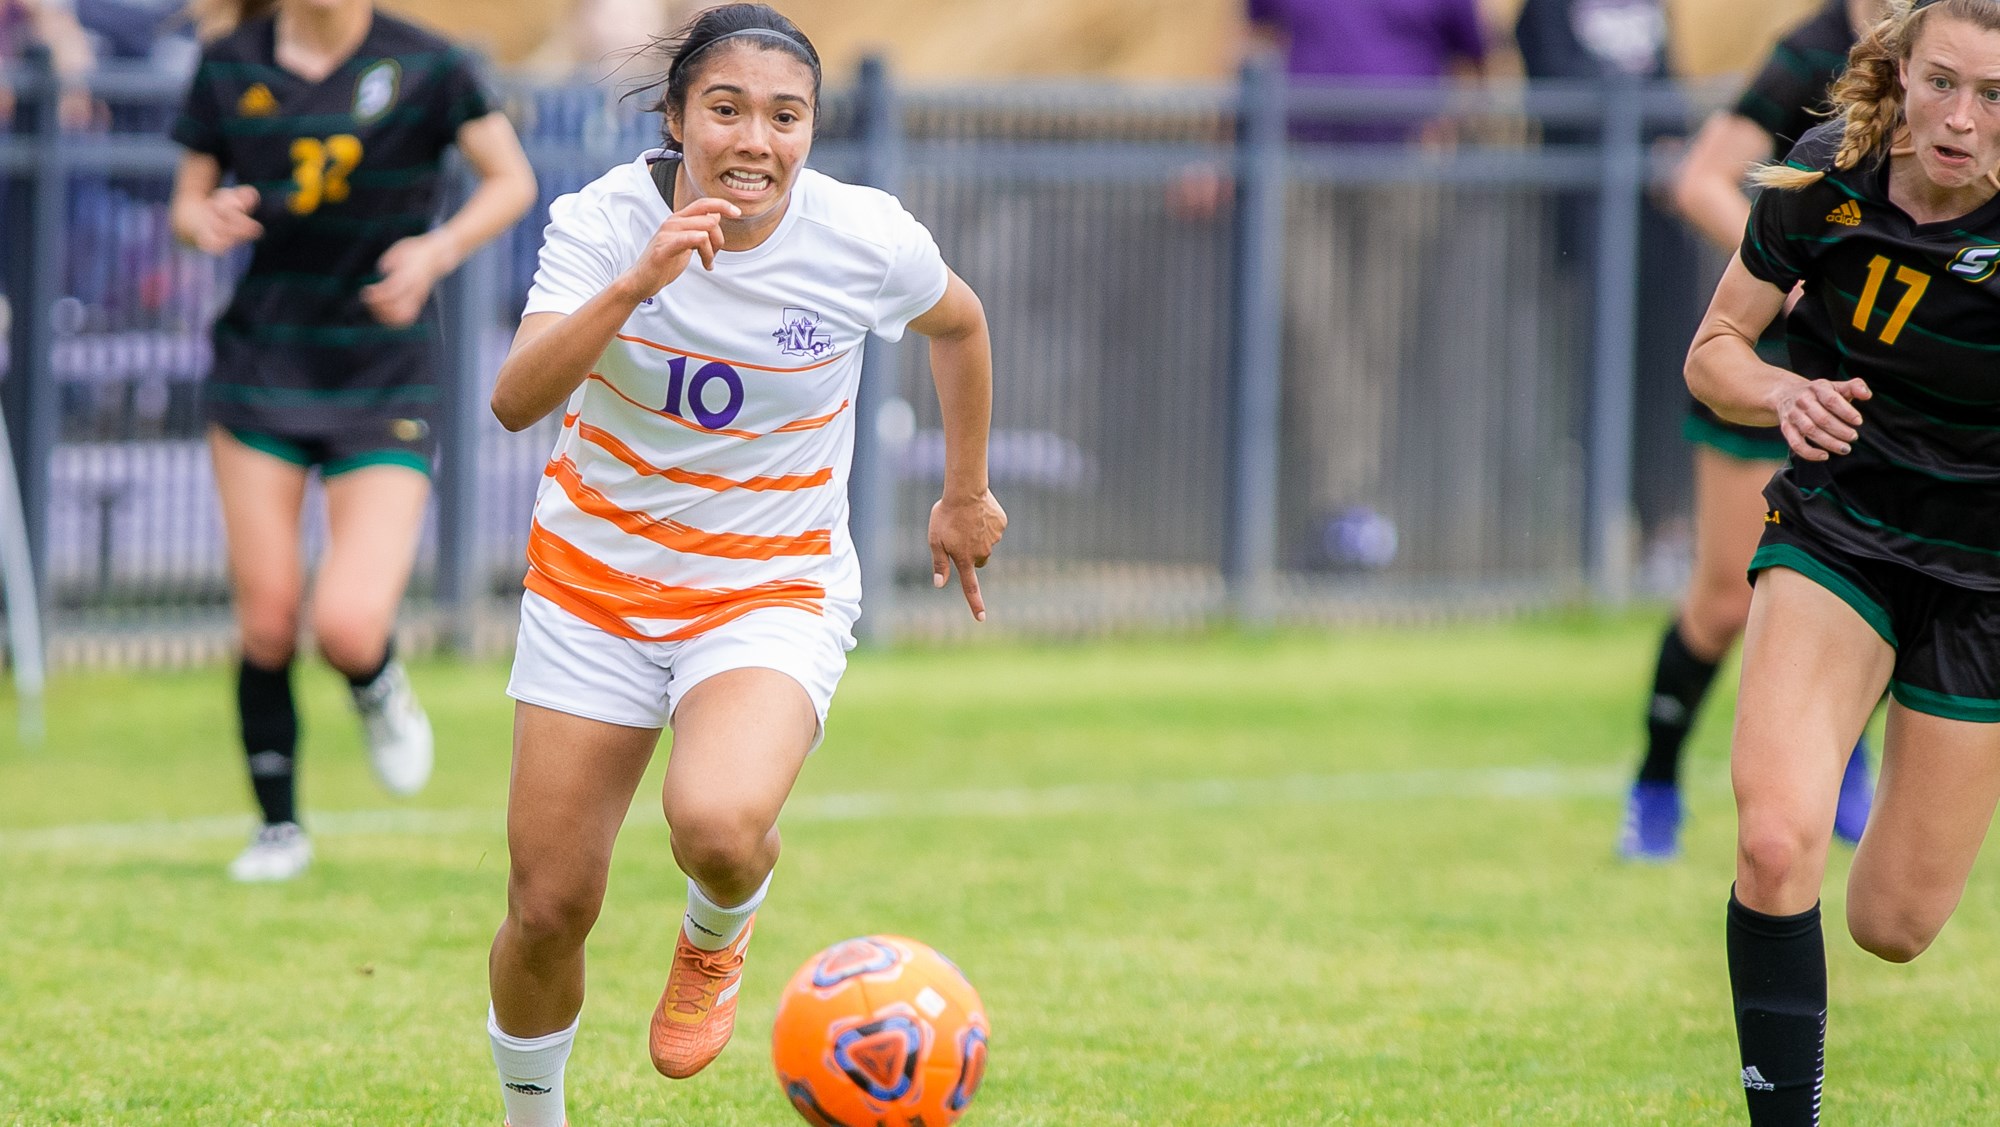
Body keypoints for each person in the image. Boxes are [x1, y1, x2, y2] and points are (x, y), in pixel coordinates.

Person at [479, 5, 1005, 1124]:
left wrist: (962, 494)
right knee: (547, 904)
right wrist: (634, 284)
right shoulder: (601, 219)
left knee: (717, 823)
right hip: (593, 586)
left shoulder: (863, 236)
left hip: (770, 585)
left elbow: (958, 326)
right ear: (676, 120)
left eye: (785, 115)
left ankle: (714, 937)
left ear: (810, 130)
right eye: (725, 110)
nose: (754, 139)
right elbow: (516, 397)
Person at [1691, 0, 2000, 1119]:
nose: (1958, 120)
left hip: (1983, 578)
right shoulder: (1830, 170)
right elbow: (1714, 349)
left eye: (1994, 95)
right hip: (1838, 530)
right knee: (1775, 840)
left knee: (1893, 923)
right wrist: (1780, 389)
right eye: (1939, 83)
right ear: (1897, 71)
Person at [167, 0, 536, 881]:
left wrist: (435, 252)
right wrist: (203, 220)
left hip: (383, 369)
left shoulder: (430, 64)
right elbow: (186, 199)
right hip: (263, 360)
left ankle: (377, 684)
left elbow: (511, 181)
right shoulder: (230, 63)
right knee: (266, 617)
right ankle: (278, 828)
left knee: (345, 622)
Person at [1617, 0, 1889, 861]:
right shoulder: (1810, 54)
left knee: (1888, 571)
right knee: (1726, 597)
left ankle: (1843, 755)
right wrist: (1792, 269)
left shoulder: (1954, 58)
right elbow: (1701, 177)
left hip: (1875, 373)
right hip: (1763, 365)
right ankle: (1656, 777)